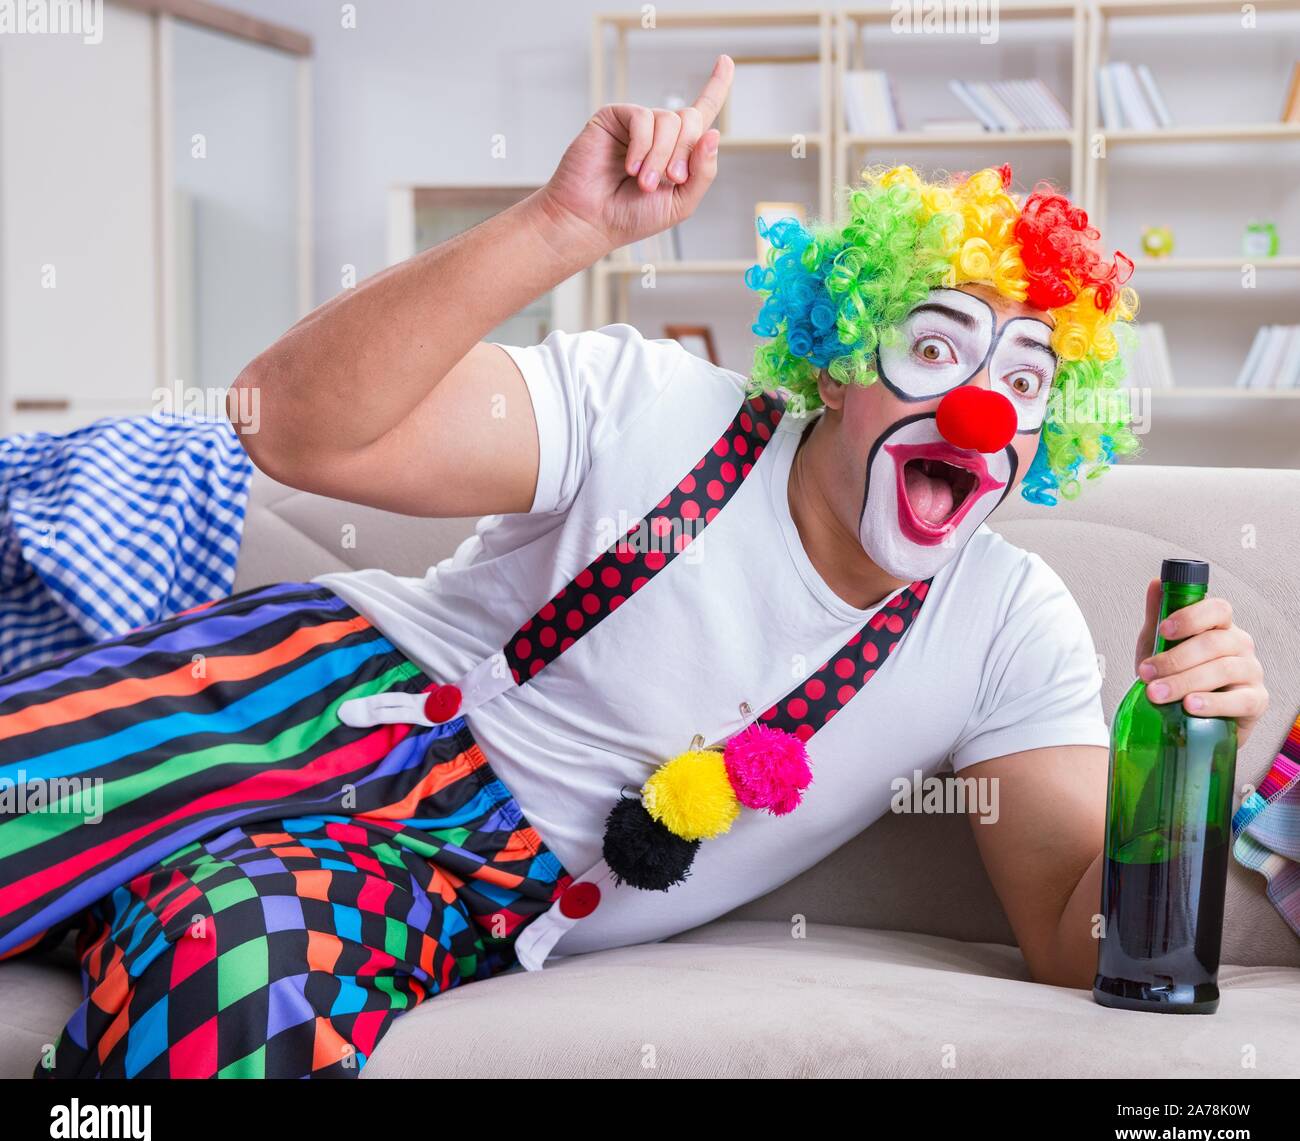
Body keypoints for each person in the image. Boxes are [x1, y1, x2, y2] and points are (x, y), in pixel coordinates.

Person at [0, 55, 1268, 1078]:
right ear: (835, 357)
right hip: (301, 700)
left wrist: (1183, 757)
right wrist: (555, 230)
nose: (981, 412)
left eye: (1025, 382)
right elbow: (289, 423)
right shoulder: (651, 403)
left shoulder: (1007, 624)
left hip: (443, 886)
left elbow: (1073, 935)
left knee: (229, 972)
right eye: (937, 353)